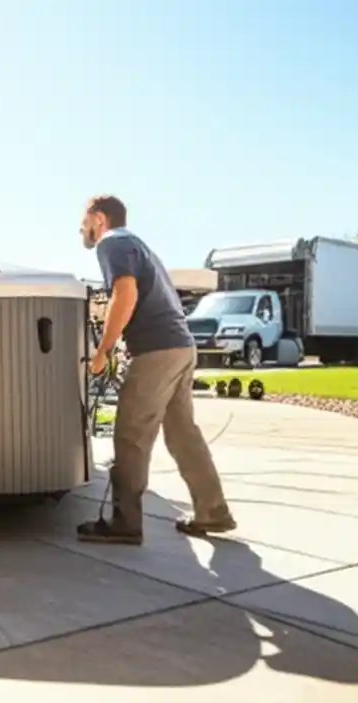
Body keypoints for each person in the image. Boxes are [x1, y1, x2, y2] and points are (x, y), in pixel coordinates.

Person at [79, 194, 236, 544]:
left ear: (99, 219)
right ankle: (213, 512)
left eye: (84, 221)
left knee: (131, 435)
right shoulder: (140, 246)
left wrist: (103, 349)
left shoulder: (111, 243)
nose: (82, 229)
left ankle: (125, 523)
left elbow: (126, 293)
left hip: (157, 351)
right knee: (183, 435)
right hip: (182, 346)